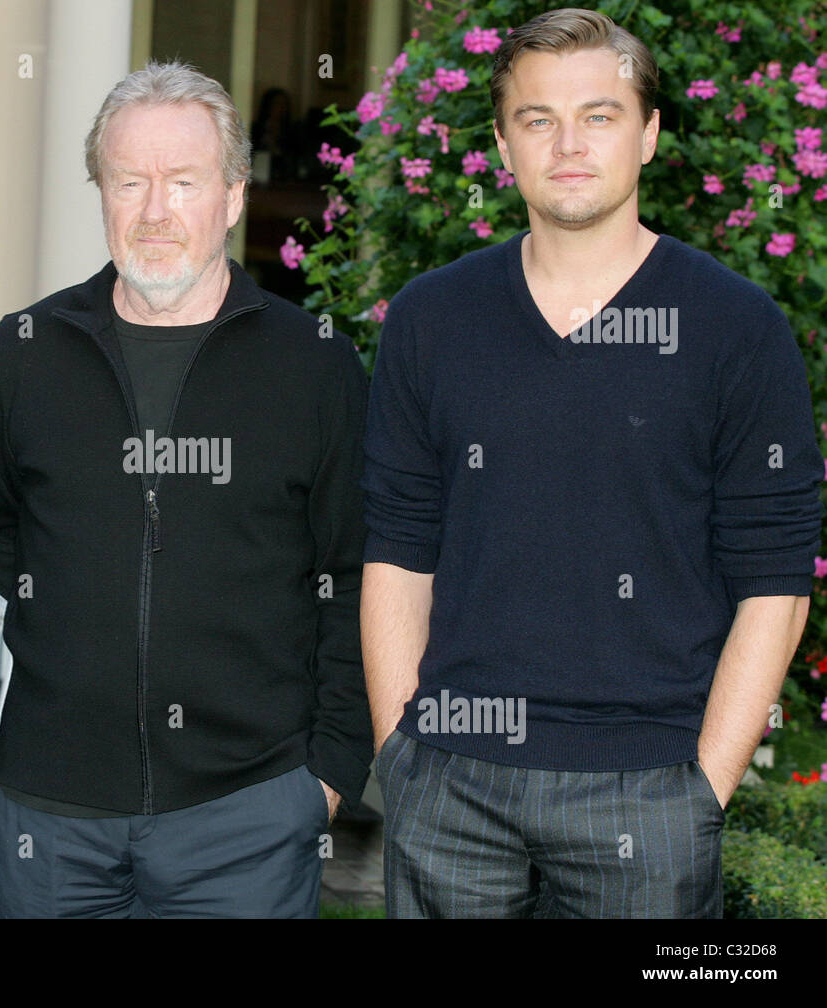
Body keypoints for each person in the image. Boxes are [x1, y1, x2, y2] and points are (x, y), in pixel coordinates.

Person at [362, 8, 821, 918]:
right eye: (538, 119)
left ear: (649, 134)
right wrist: (399, 759)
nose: (567, 143)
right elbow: (396, 551)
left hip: (648, 791)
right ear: (502, 143)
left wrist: (703, 791)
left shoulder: (736, 329)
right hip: (452, 783)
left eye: (600, 115)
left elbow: (776, 581)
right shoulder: (431, 320)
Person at [0, 61, 371, 918]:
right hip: (54, 809)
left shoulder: (313, 366)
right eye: (128, 181)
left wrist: (327, 776)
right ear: (101, 191)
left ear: (232, 195)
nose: (153, 212)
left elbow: (356, 572)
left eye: (182, 182)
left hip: (248, 810)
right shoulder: (25, 351)